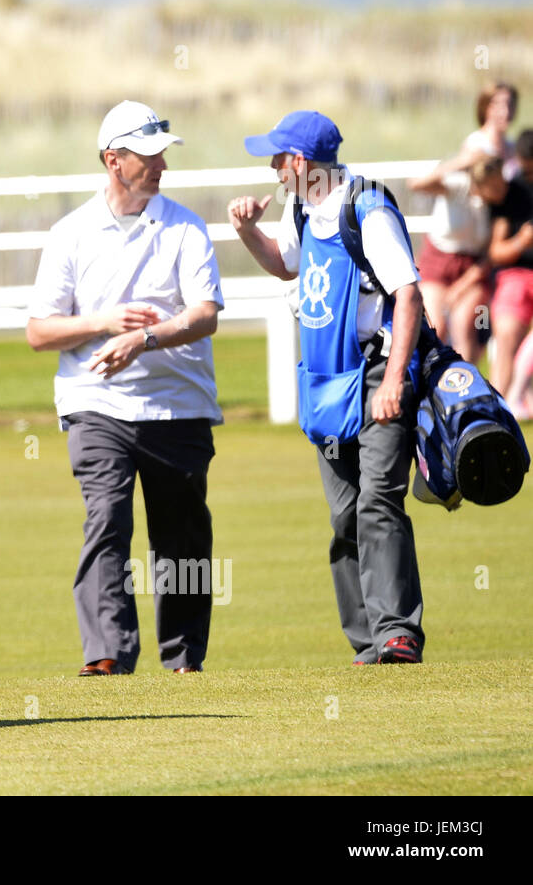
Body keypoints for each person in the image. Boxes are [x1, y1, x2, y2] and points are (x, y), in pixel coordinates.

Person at [27, 100, 223, 676]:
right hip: (96, 404)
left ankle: (183, 659)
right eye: (148, 155)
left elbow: (205, 315)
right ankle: (108, 653)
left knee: (182, 539)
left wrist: (145, 340)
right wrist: (105, 325)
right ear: (114, 161)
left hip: (178, 406)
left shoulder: (186, 227)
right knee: (107, 517)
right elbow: (40, 332)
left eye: (164, 153)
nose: (161, 164)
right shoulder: (70, 234)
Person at [231, 110, 426, 665]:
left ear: (299, 163)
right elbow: (287, 266)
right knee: (344, 515)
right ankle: (367, 641)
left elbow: (407, 294)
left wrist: (392, 382)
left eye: (275, 157)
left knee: (378, 501)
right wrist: (248, 232)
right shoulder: (302, 207)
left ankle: (397, 634)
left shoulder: (365, 206)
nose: (270, 166)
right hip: (323, 380)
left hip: (373, 375)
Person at [405, 150, 505, 362]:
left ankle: (466, 386)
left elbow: (488, 256)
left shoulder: (498, 207)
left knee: (466, 323)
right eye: (496, 184)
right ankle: (428, 386)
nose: (502, 189)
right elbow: (415, 184)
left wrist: (459, 289)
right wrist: (459, 163)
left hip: (473, 270)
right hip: (437, 262)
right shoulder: (459, 186)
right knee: (435, 326)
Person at [488, 128, 533, 396]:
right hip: (515, 275)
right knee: (505, 334)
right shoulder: (512, 191)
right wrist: (522, 241)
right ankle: (498, 408)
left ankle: (518, 392)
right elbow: (496, 252)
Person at [464, 82, 519, 178]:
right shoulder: (475, 144)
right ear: (486, 107)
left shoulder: (512, 147)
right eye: (499, 105)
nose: (506, 112)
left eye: (511, 104)